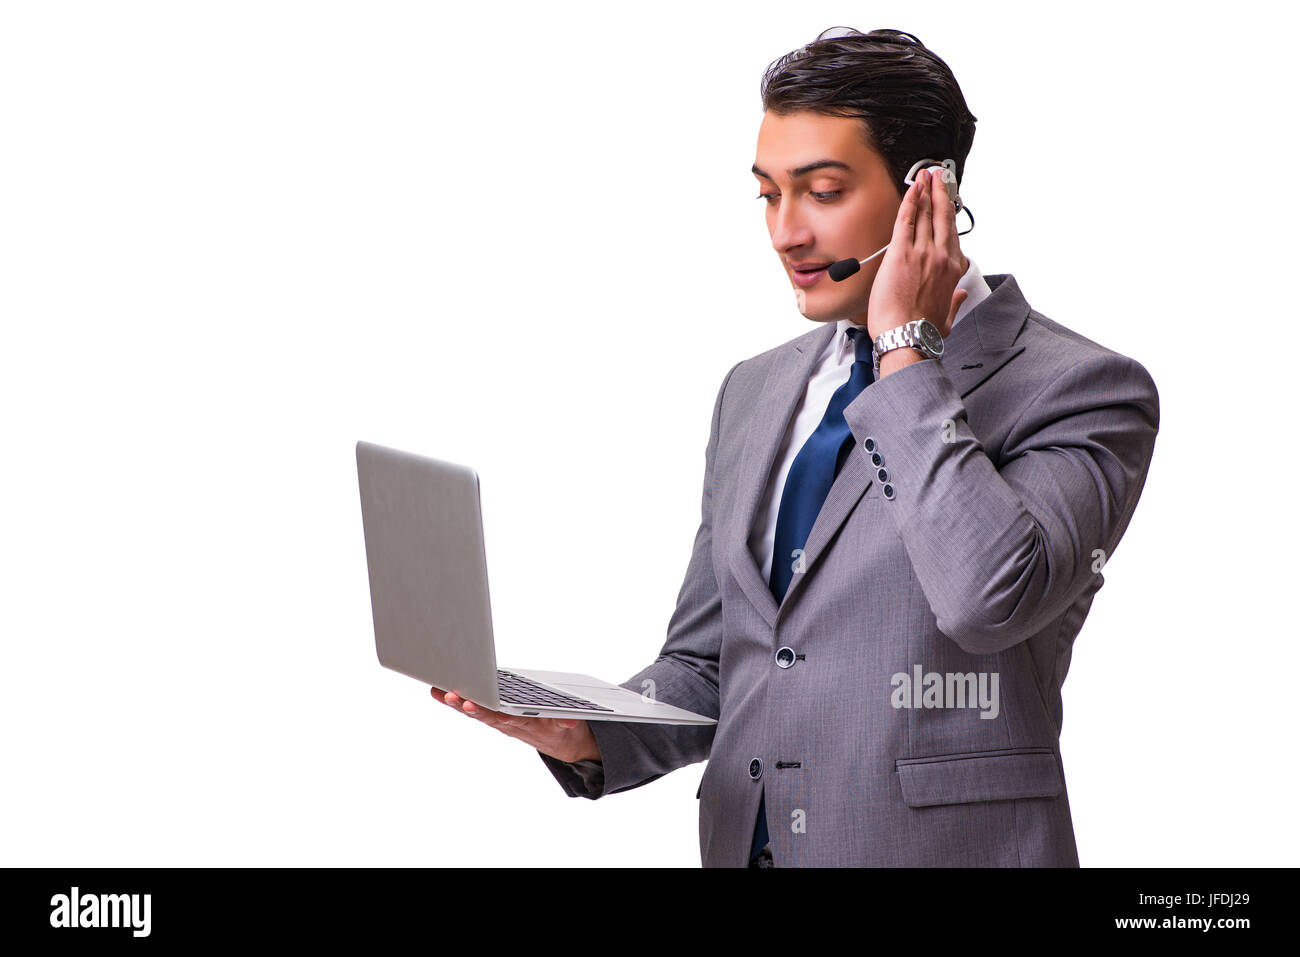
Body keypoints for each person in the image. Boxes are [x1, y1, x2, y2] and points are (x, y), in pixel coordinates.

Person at [432, 26, 1160, 867]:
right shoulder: (755, 390)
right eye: (769, 195)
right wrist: (588, 730)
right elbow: (714, 664)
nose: (786, 233)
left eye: (821, 190)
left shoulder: (1084, 388)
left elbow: (986, 599)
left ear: (930, 193)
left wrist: (906, 351)